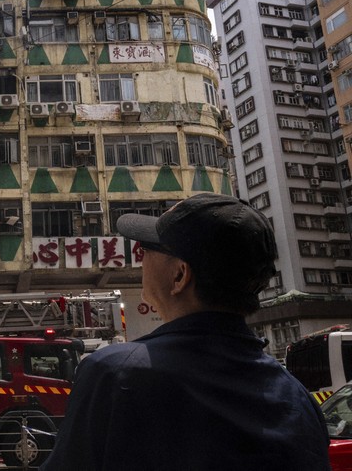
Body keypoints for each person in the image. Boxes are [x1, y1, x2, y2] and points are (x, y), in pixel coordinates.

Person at [41, 192, 331, 471]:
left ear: (179, 275)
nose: (141, 255)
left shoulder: (114, 374)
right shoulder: (297, 398)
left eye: (150, 247)